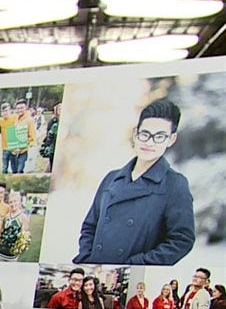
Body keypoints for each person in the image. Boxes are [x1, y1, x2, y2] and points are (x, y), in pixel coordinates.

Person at [75, 99, 195, 265]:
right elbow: (90, 226)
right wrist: (85, 259)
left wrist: (138, 264)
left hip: (130, 274)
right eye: (145, 134)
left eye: (159, 136)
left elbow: (182, 240)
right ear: (135, 133)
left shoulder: (174, 184)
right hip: (94, 270)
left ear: (171, 139)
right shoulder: (111, 178)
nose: (149, 142)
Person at [0, 98, 37, 175]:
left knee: (20, 170)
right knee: (14, 170)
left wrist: (22, 146)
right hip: (13, 151)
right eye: (18, 108)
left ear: (26, 108)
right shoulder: (15, 119)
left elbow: (32, 138)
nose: (19, 110)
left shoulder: (29, 120)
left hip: (22, 151)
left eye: (21, 108)